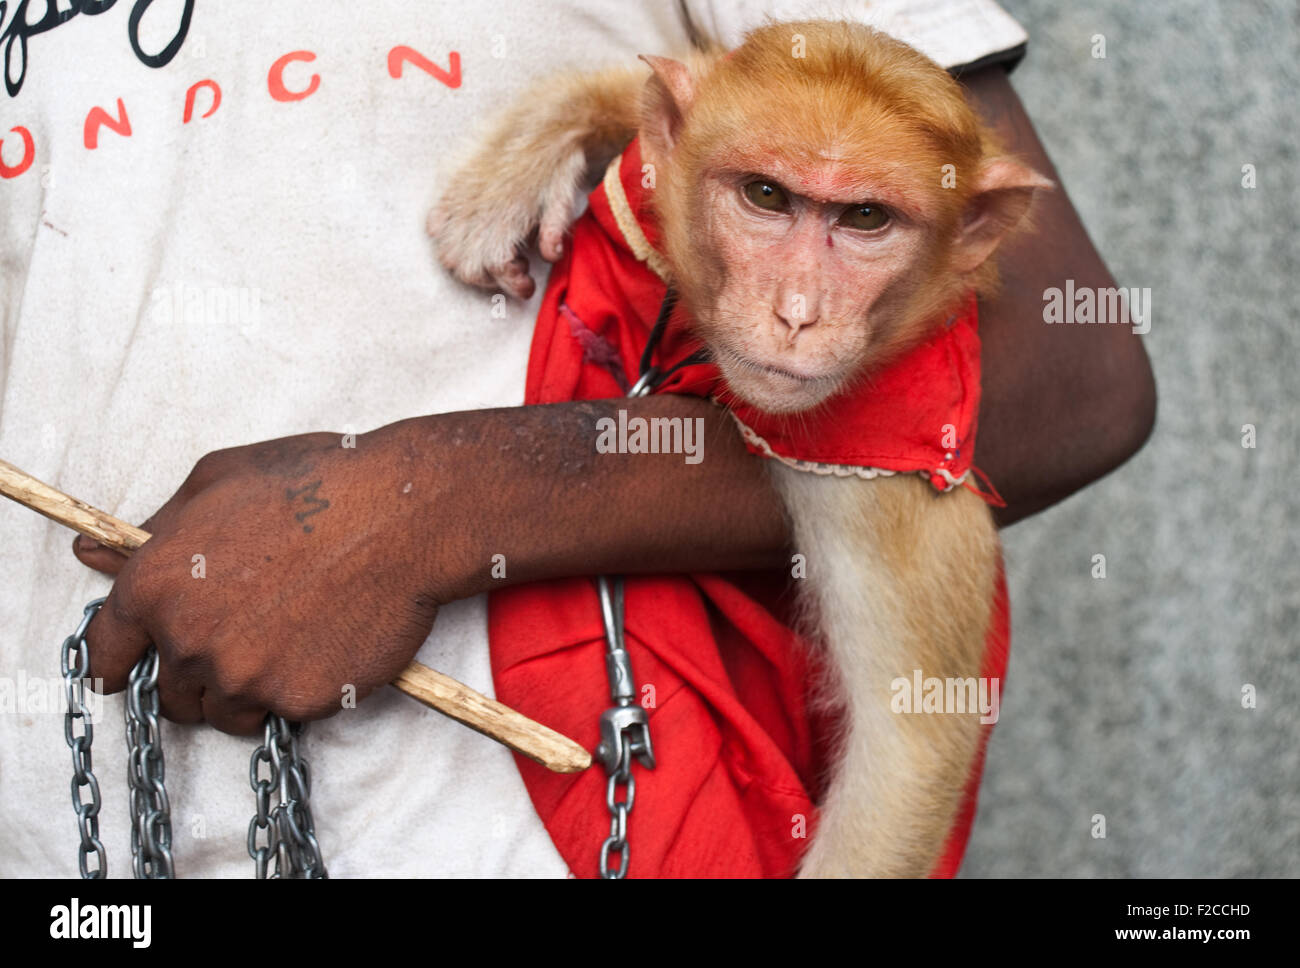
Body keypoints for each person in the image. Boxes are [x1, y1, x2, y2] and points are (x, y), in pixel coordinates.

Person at [0, 0, 1153, 876]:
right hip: (66, 815)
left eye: (857, 222)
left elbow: (1058, 385)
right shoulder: (674, 133)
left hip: (535, 808)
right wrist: (570, 121)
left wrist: (430, 502)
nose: (800, 300)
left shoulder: (869, 191)